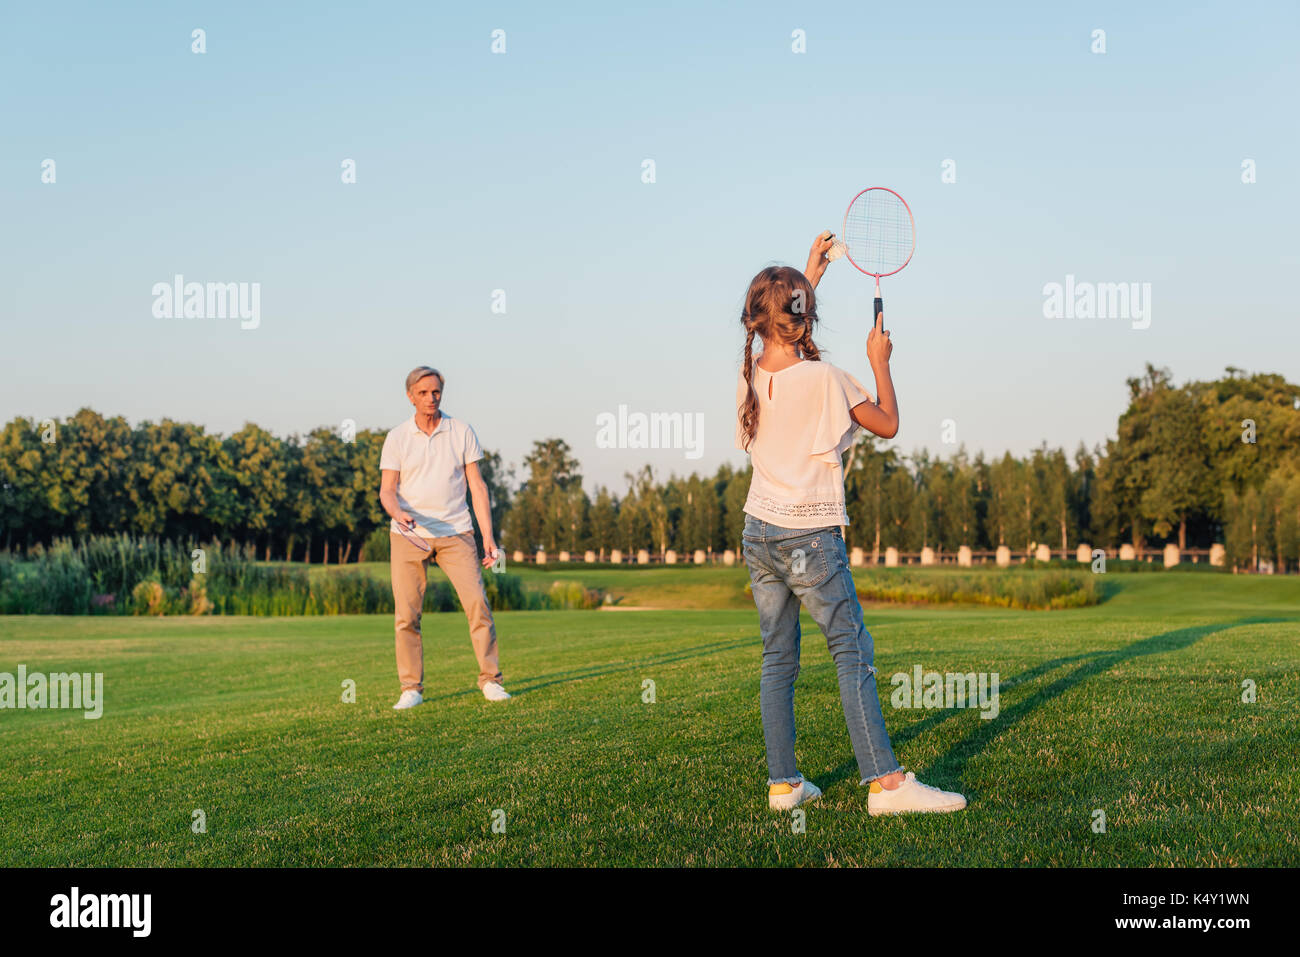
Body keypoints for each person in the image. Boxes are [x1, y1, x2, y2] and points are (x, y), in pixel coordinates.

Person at [735, 233, 966, 815]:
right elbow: (886, 422)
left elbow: (790, 318)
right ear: (801, 318)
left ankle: (784, 786)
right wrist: (880, 363)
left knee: (777, 659)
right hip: (808, 535)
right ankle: (888, 785)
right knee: (850, 650)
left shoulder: (749, 377)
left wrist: (812, 270)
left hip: (758, 531)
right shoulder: (826, 378)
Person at [379, 366, 510, 707]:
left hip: (456, 532)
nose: (430, 398)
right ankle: (411, 689)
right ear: (410, 396)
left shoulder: (461, 431)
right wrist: (398, 513)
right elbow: (387, 491)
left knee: (478, 605)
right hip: (408, 535)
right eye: (422, 393)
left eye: (435, 392)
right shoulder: (397, 437)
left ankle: (491, 680)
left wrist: (489, 538)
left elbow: (477, 488)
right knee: (407, 615)